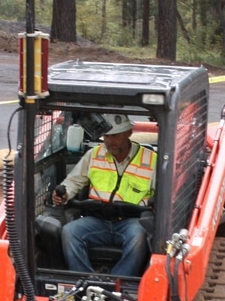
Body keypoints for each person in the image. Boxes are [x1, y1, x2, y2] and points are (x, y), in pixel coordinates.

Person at [53, 113, 156, 276]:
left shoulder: (151, 160)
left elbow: (163, 194)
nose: (109, 141)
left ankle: (117, 283)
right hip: (97, 220)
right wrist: (64, 193)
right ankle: (86, 281)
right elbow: (74, 181)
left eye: (115, 136)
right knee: (70, 231)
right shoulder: (94, 155)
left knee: (139, 236)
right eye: (106, 136)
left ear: (129, 133)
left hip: (131, 222)